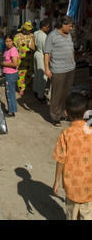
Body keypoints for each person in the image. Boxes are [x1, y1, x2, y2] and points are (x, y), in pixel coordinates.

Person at [52, 92, 92, 220]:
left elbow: (60, 160)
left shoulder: (66, 134)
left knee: (71, 214)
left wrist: (57, 181)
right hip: (90, 185)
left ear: (66, 113)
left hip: (72, 185)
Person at [44, 16, 75, 127]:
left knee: (66, 94)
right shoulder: (52, 36)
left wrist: (73, 63)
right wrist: (47, 69)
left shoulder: (69, 36)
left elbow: (71, 50)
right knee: (57, 94)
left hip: (70, 68)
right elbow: (47, 53)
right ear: (63, 25)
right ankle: (55, 116)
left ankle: (63, 113)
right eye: (69, 26)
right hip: (57, 69)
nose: (70, 28)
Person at [13, 20, 35, 95]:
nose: (28, 32)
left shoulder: (32, 35)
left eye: (29, 30)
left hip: (30, 58)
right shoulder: (17, 36)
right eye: (27, 30)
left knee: (29, 72)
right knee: (21, 73)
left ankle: (28, 85)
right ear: (23, 29)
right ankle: (21, 88)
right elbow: (14, 47)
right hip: (21, 59)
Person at [1, 34, 19, 117]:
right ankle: (11, 110)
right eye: (6, 41)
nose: (8, 43)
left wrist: (4, 64)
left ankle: (11, 112)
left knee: (10, 93)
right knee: (9, 92)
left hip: (11, 74)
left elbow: (15, 63)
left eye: (10, 41)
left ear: (13, 41)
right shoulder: (7, 49)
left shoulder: (13, 50)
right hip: (8, 73)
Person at [33, 19, 50, 104]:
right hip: (42, 55)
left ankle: (36, 91)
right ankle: (40, 95)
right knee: (43, 77)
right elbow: (46, 50)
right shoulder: (44, 37)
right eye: (47, 27)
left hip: (37, 54)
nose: (48, 29)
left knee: (37, 75)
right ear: (44, 27)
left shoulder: (36, 33)